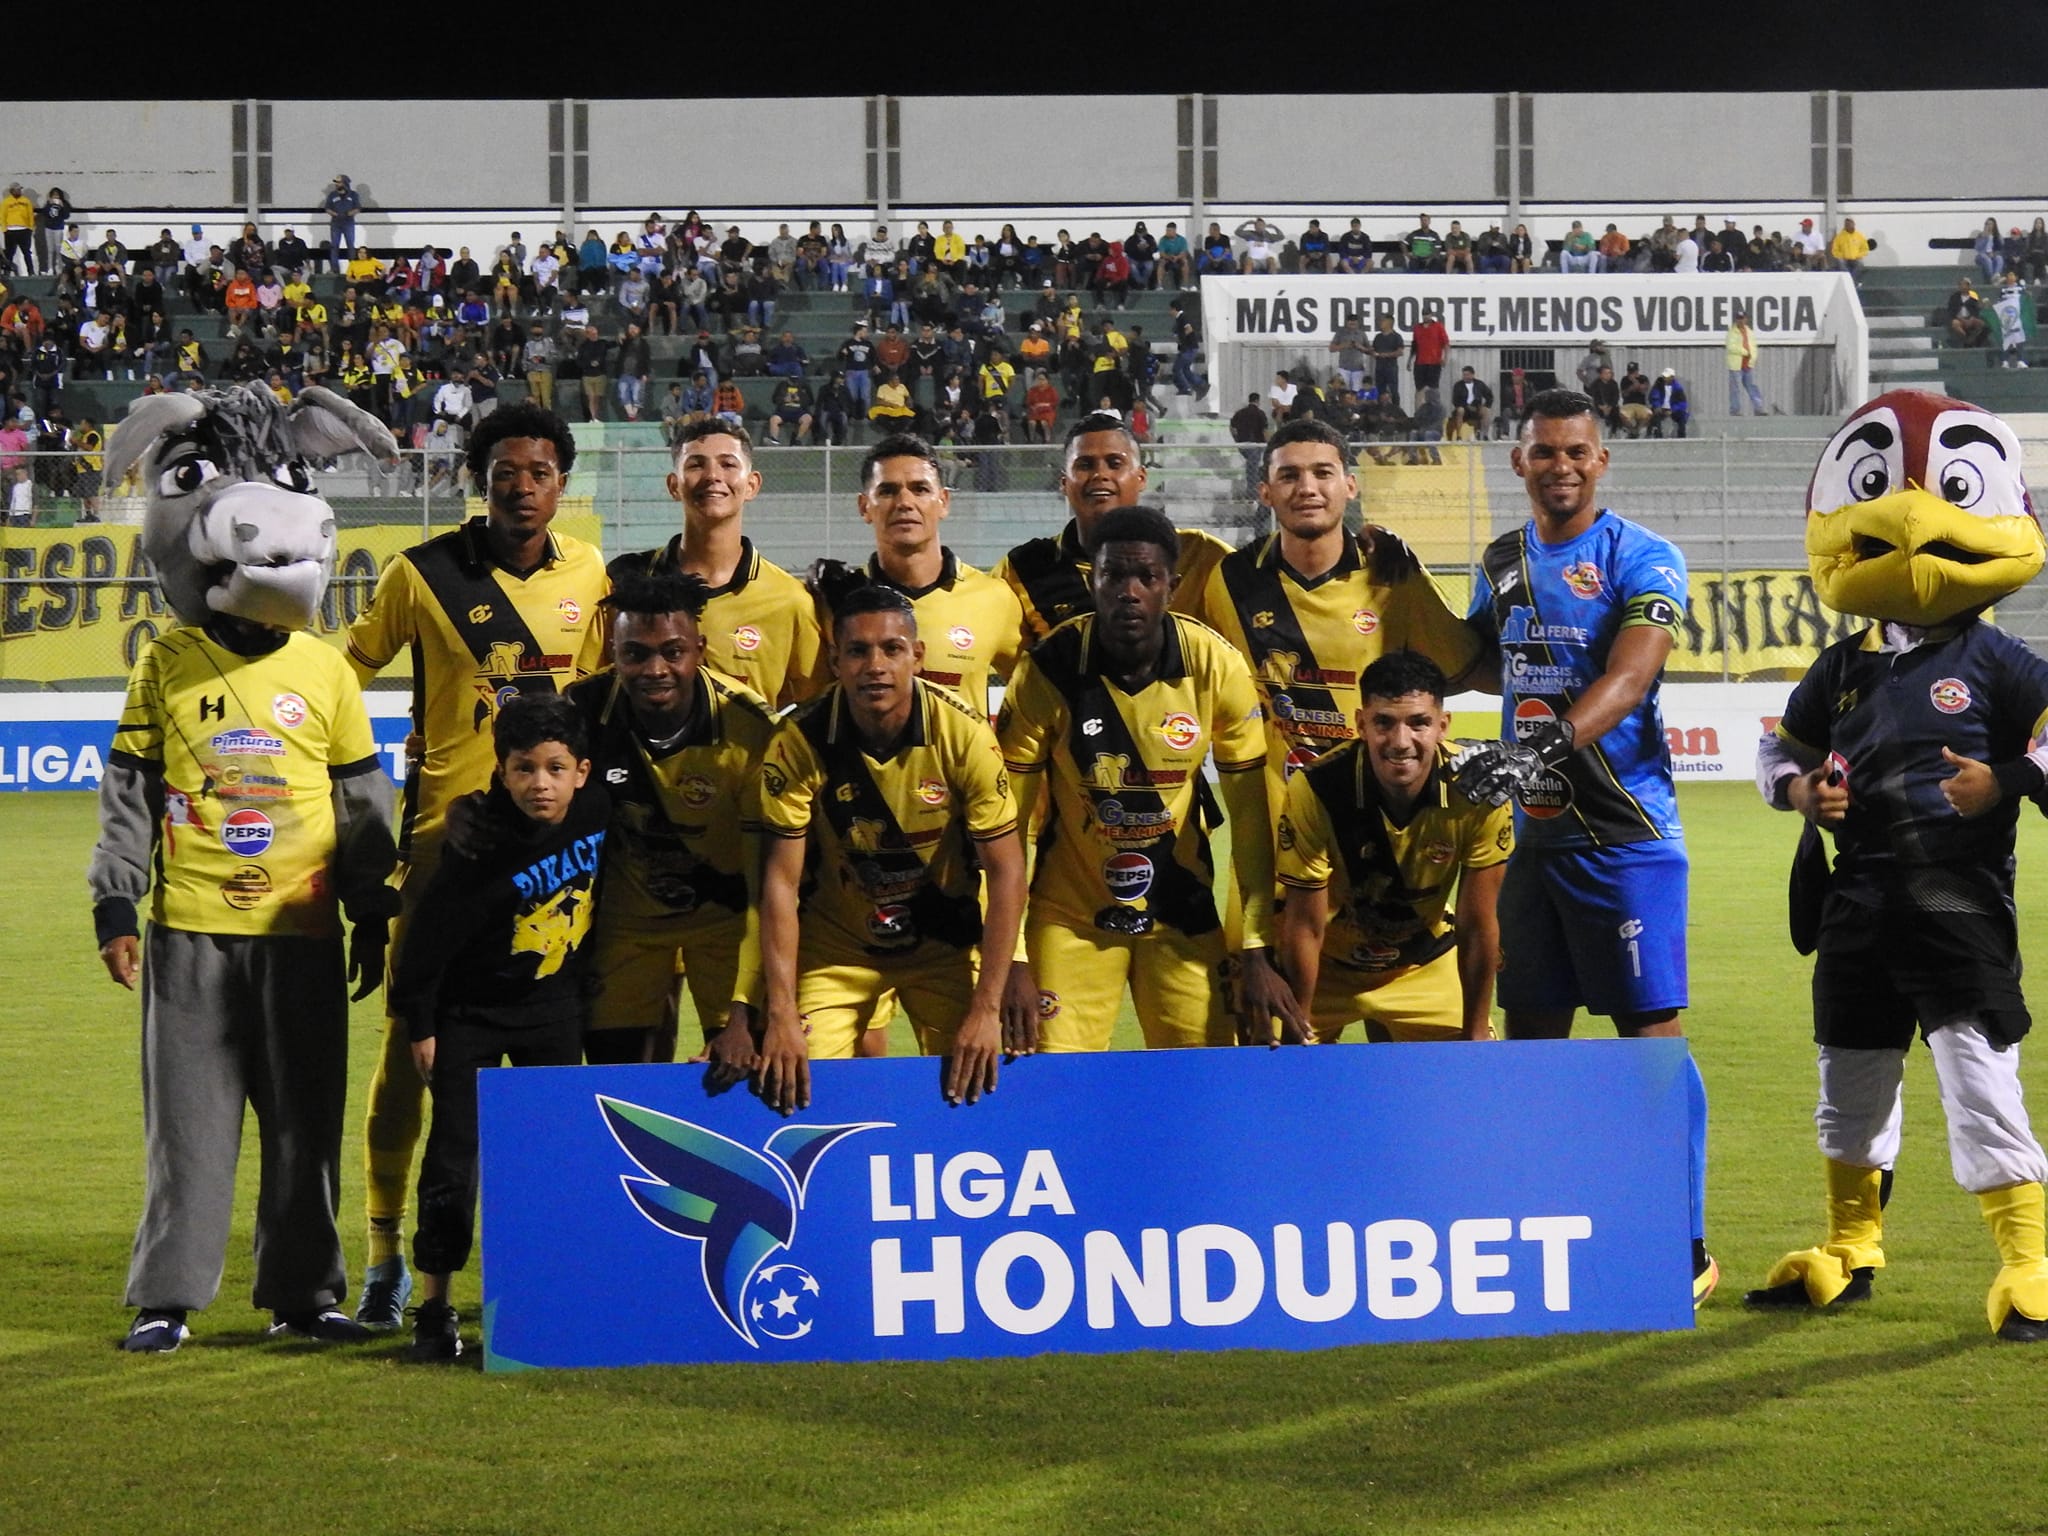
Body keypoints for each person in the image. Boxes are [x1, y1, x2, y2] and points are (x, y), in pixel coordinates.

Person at [1746, 391, 2048, 1342]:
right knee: (1849, 1081)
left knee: (1979, 1083)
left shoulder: (2001, 663)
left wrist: (2003, 781)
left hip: (1959, 903)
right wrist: (1802, 793)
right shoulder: (1842, 666)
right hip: (1858, 903)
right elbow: (1777, 750)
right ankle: (1851, 1247)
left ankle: (2029, 1263)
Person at [342, 402, 609, 1329]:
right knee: (409, 1052)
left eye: (540, 473)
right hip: (443, 853)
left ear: (562, 483)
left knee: (554, 1055)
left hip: (558, 853)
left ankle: (540, 1268)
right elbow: (338, 680)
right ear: (479, 479)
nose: (523, 488)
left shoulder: (592, 575)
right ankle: (385, 1257)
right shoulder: (422, 576)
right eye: (505, 473)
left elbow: (600, 710)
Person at [92, 540, 397, 1349]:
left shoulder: (326, 669)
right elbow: (129, 789)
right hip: (190, 927)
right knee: (187, 1130)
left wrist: (371, 914)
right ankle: (166, 1302)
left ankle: (305, 1297)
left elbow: (362, 800)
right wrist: (115, 905)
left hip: (302, 930)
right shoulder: (167, 660)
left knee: (306, 1126)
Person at [1451, 387, 1714, 1308]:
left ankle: (1684, 1240)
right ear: (1518, 462)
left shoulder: (1642, 555)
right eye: (1544, 452)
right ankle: (1546, 1228)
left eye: (1575, 452)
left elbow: (1631, 675)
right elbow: (1484, 662)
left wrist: (1540, 748)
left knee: (1647, 1048)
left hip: (1624, 838)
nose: (1559, 466)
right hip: (1534, 843)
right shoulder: (1500, 560)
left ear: (1601, 461)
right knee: (1534, 1051)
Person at [996, 506, 1304, 1054]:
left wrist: (1255, 946)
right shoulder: (1047, 667)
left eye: (1147, 577)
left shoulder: (1216, 665)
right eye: (1113, 575)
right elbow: (1007, 829)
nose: (1129, 592)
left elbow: (1251, 822)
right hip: (1069, 917)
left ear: (1172, 586)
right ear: (1093, 582)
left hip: (1179, 913)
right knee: (1056, 1083)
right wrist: (1012, 957)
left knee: (1203, 1078)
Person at [390, 693, 609, 1361]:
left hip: (552, 1014)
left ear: (582, 771)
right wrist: (422, 1025)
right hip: (469, 1017)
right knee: (453, 1159)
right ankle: (435, 1307)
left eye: (555, 768)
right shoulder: (478, 840)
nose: (540, 784)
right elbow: (425, 942)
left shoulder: (600, 810)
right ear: (501, 770)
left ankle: (547, 1298)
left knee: (553, 1157)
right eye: (523, 769)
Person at [753, 586, 1028, 1108]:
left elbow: (1007, 871)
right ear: (835, 660)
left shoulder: (965, 735)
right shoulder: (798, 739)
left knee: (980, 1083)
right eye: (858, 651)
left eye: (891, 649)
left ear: (917, 656)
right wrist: (782, 1014)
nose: (875, 665)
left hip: (943, 946)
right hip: (837, 949)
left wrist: (987, 1009)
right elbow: (780, 884)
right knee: (799, 1087)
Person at [1204, 418, 1480, 835]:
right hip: (1272, 836)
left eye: (1323, 473)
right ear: (1265, 492)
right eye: (1289, 475)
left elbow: (1459, 671)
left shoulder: (1394, 576)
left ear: (1350, 486)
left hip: (1377, 835)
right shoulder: (1229, 579)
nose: (1307, 488)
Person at [1276, 652, 1511, 1042]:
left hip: (1421, 963)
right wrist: (1296, 1032)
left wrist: (1474, 1034)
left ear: (1443, 725)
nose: (1401, 742)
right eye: (1384, 722)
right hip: (1327, 965)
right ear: (1360, 724)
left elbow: (1477, 925)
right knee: (1270, 1061)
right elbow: (1305, 927)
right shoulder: (1316, 788)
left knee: (1471, 1070)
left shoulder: (1479, 788)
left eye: (1419, 723)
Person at [609, 419, 823, 707]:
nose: (712, 475)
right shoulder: (626, 581)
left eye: (728, 464)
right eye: (696, 465)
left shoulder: (791, 601)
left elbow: (814, 708)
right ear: (674, 485)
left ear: (752, 485)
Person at [810, 435, 1024, 719]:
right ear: (864, 507)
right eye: (887, 491)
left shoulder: (994, 598)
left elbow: (1035, 697)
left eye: (920, 489)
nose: (905, 502)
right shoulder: (832, 601)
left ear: (943, 501)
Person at [992, 412, 1232, 645]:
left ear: (1141, 478)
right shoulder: (1022, 569)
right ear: (1064, 483)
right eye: (1085, 465)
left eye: (1114, 463)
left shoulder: (1201, 555)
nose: (1100, 474)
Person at [1725, 311, 1766, 415]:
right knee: (1735, 389)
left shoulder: (1750, 332)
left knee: (1752, 387)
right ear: (1736, 320)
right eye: (1739, 318)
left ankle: (1758, 408)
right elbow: (1731, 347)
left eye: (1742, 318)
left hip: (1747, 365)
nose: (1741, 321)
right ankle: (1735, 410)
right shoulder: (1731, 333)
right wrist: (1745, 352)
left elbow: (1753, 347)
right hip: (1736, 366)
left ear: (1746, 319)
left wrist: (1753, 358)